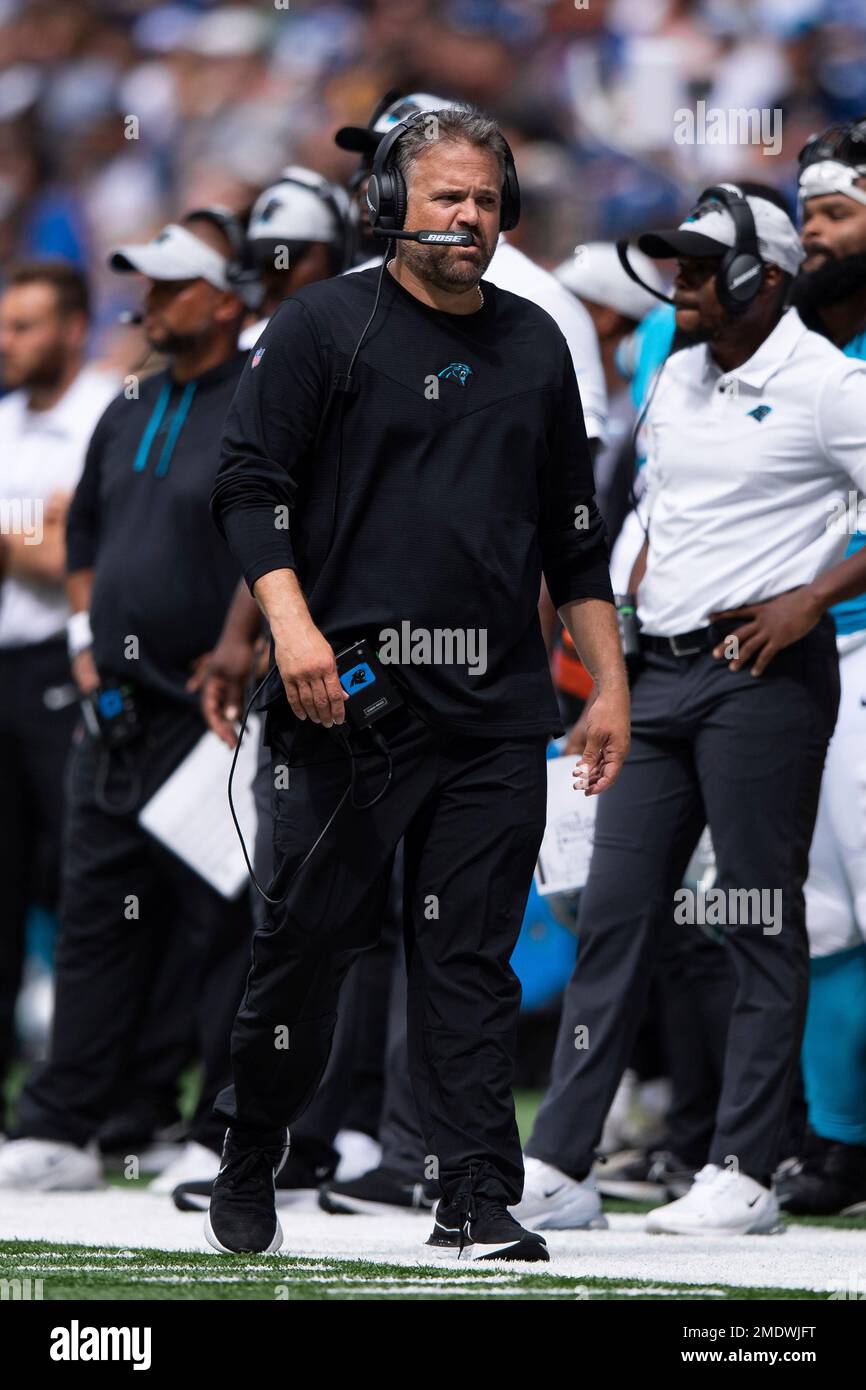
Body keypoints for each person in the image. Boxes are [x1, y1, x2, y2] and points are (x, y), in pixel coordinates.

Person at [205, 104, 628, 1261]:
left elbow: (572, 535)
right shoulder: (320, 326)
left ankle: (474, 1196)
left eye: (487, 201)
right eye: (446, 196)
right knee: (305, 947)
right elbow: (248, 488)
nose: (468, 218)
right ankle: (252, 1150)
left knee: (469, 963)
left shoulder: (536, 340)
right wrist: (288, 629)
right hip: (343, 703)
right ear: (388, 202)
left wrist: (606, 682)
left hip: (495, 709)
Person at [514, 183, 866, 1236]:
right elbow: (649, 528)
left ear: (762, 276)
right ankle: (561, 1161)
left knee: (760, 920)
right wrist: (609, 678)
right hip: (656, 673)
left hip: (761, 678)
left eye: (704, 267)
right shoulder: (670, 374)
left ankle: (746, 1169)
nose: (682, 283)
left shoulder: (826, 383)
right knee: (614, 919)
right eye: (678, 264)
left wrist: (809, 598)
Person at [0, 213, 254, 1191]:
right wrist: (83, 640)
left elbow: (277, 534)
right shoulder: (130, 397)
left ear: (227, 298)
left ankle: (213, 1121)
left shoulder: (263, 396)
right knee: (96, 915)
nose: (148, 302)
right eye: (144, 285)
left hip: (214, 704)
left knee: (220, 924)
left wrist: (244, 647)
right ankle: (66, 1118)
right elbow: (83, 541)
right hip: (112, 705)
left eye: (172, 286)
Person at [0, 262, 118, 1105]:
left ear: (75, 328)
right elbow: (40, 535)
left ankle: (87, 1085)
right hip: (4, 668)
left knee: (83, 882)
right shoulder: (5, 420)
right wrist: (31, 523)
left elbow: (75, 550)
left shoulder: (104, 410)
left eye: (26, 327)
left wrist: (33, 531)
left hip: (64, 666)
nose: (8, 344)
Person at [777, 116, 866, 1215]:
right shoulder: (784, 346)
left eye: (835, 215)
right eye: (805, 217)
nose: (812, 238)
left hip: (841, 629)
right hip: (809, 650)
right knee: (824, 907)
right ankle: (835, 1135)